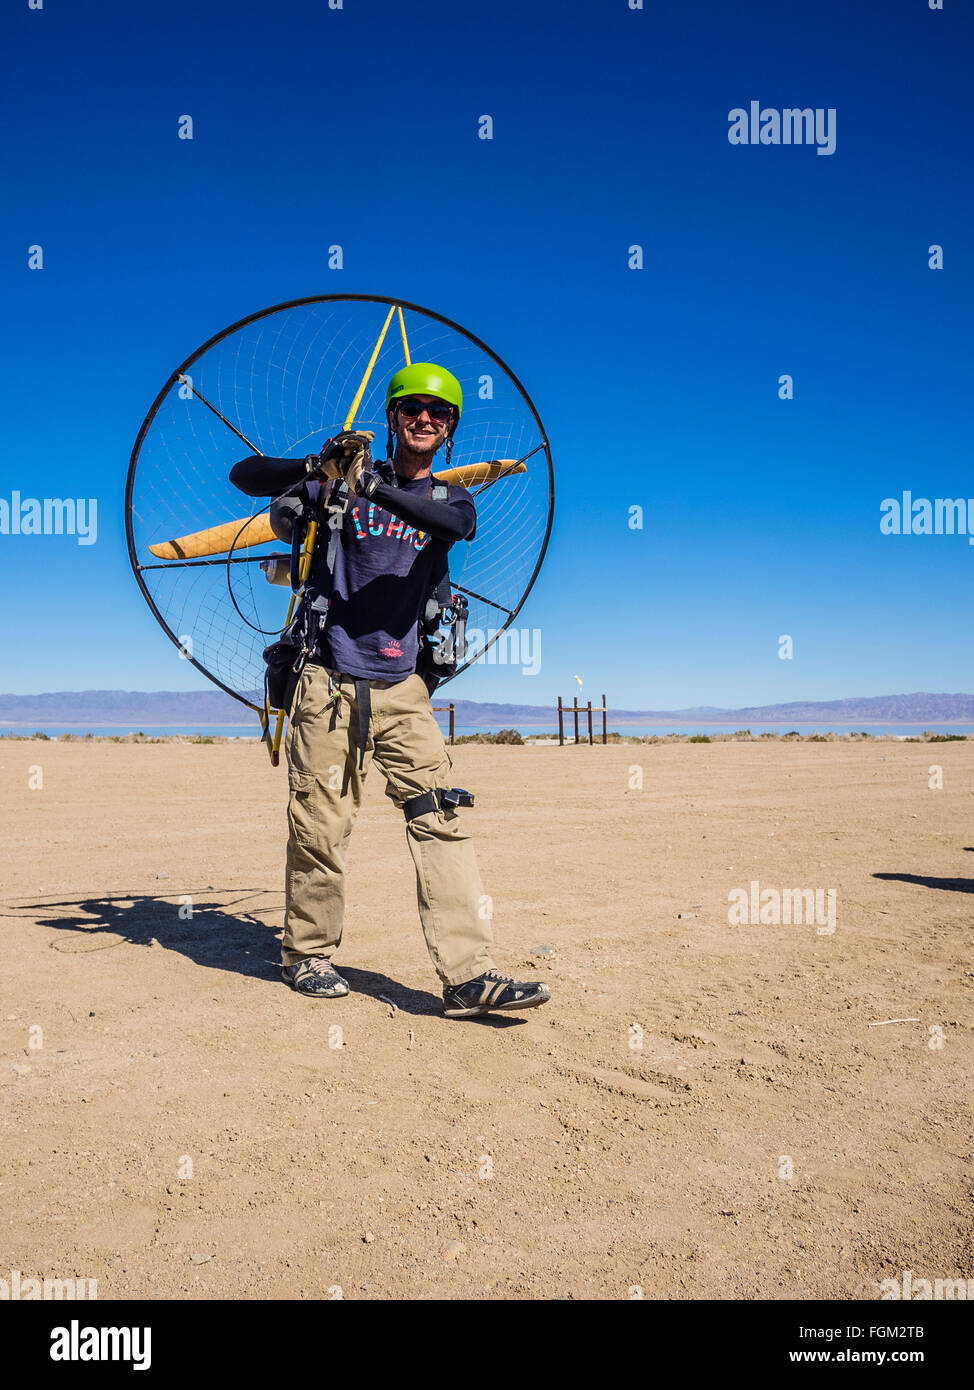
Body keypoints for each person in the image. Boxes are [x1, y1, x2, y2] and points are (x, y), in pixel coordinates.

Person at [229, 363, 551, 1019]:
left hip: (402, 688)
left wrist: (371, 482)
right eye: (412, 409)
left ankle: (468, 976)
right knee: (322, 823)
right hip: (327, 678)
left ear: (451, 428)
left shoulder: (451, 504)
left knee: (441, 815)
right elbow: (246, 477)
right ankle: (308, 955)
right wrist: (321, 468)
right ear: (394, 418)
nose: (426, 419)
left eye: (440, 413)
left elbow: (451, 529)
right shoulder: (334, 488)